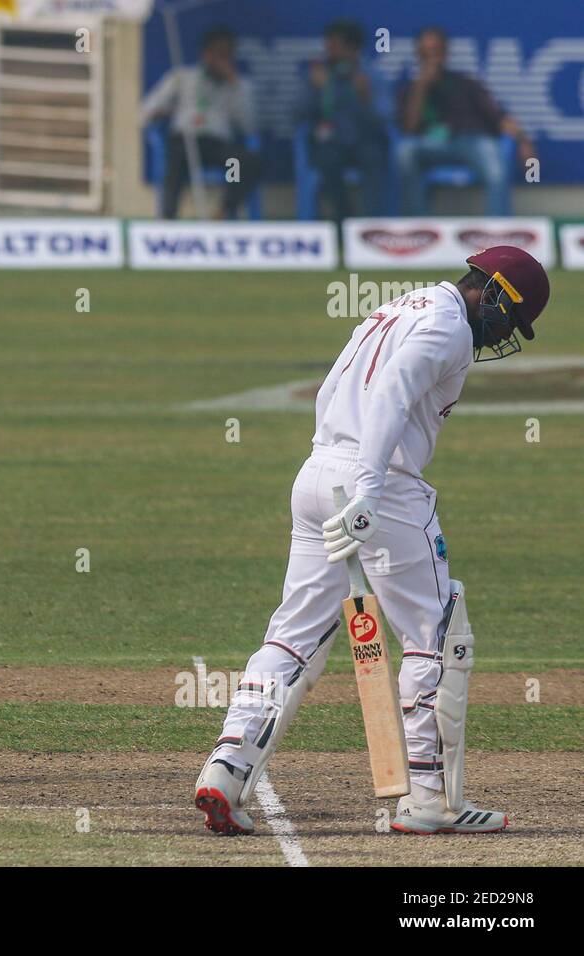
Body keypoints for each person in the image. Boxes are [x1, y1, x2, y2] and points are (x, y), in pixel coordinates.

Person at [193, 246, 549, 836]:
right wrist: (368, 487)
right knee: (435, 637)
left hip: (316, 476)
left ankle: (227, 768)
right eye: (509, 320)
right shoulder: (452, 329)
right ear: (491, 294)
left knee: (292, 638)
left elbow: (330, 392)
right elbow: (392, 393)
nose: (503, 335)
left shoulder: (394, 309)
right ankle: (429, 799)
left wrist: (334, 471)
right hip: (382, 490)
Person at [395, 26, 534, 215]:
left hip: (470, 140)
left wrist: (523, 140)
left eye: (437, 51)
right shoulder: (409, 90)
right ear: (418, 54)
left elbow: (499, 116)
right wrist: (421, 88)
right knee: (404, 152)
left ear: (446, 53)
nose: (432, 58)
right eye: (426, 52)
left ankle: (499, 231)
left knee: (495, 163)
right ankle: (416, 229)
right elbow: (408, 130)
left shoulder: (466, 84)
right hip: (429, 145)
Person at [140, 25, 260, 219]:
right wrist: (161, 112)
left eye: (226, 54)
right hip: (185, 140)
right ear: (206, 54)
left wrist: (234, 85)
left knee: (241, 162)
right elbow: (146, 109)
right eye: (217, 53)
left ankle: (224, 211)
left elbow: (249, 126)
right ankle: (167, 218)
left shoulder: (238, 85)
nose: (221, 59)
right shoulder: (182, 77)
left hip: (218, 147)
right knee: (175, 158)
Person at [297, 19, 390, 222]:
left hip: (365, 142)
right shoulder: (317, 76)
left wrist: (366, 99)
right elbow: (297, 115)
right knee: (328, 161)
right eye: (328, 46)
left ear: (353, 49)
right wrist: (317, 91)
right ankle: (342, 223)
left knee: (375, 159)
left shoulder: (371, 77)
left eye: (336, 47)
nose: (330, 52)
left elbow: (385, 119)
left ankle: (370, 226)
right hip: (330, 143)